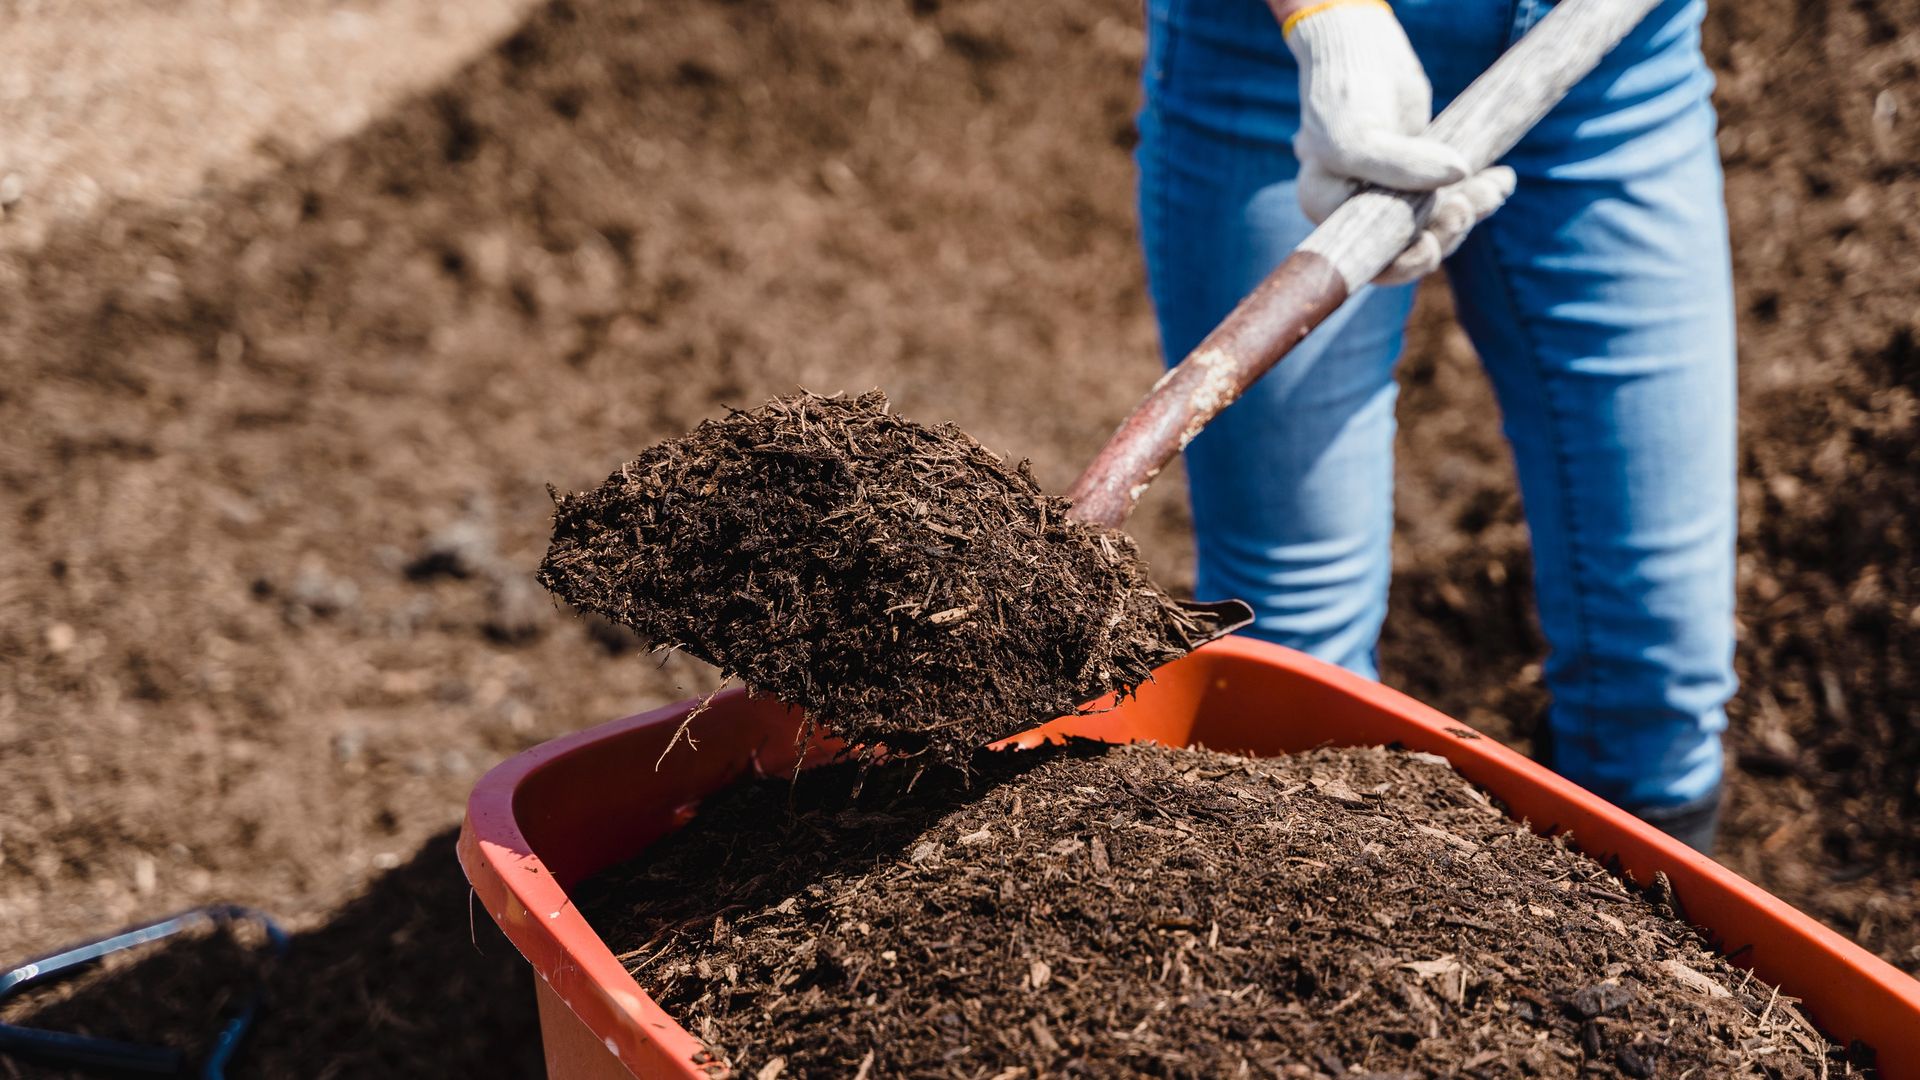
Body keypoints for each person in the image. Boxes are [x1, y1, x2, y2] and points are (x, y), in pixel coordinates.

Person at [1137, 0, 1735, 851]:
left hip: (1613, 59)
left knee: (1659, 666)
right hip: (1289, 60)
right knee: (1295, 655)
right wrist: (1325, 15)